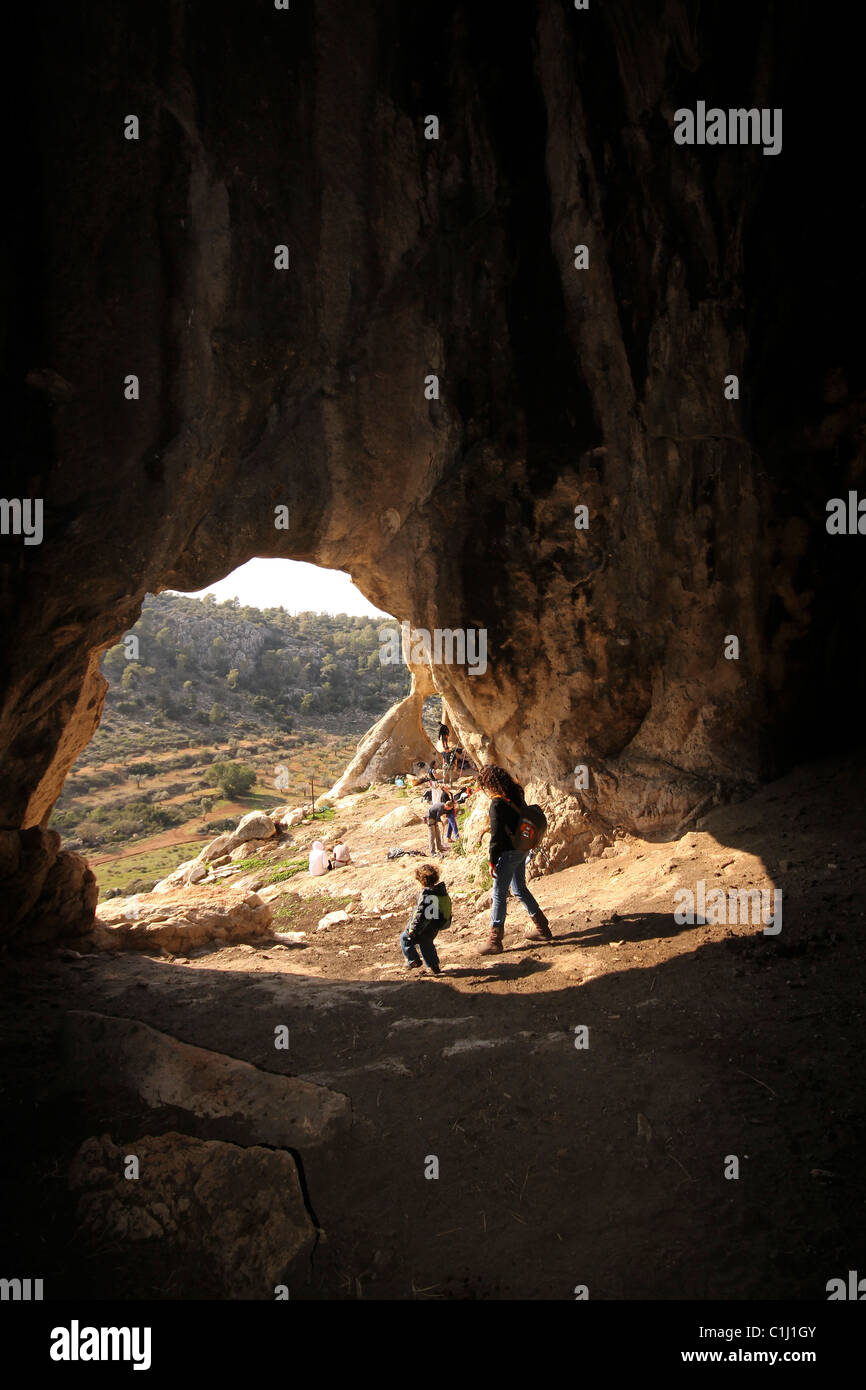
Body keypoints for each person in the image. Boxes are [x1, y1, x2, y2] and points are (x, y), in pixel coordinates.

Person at [476, 764, 551, 955]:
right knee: (519, 889)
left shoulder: (497, 804)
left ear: (488, 784)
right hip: (522, 848)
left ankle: (495, 940)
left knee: (499, 893)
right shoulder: (516, 791)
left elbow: (496, 837)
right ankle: (542, 928)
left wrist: (492, 861)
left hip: (508, 853)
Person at [400, 862, 451, 974]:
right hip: (434, 926)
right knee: (426, 944)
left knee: (404, 938)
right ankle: (433, 967)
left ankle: (413, 960)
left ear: (421, 880)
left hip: (424, 927)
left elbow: (420, 914)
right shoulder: (440, 892)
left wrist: (413, 929)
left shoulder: (427, 895)